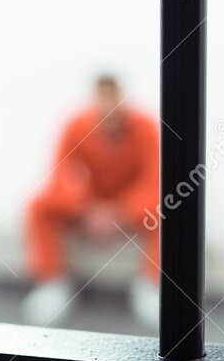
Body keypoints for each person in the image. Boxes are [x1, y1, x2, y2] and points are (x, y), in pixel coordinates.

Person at [22, 74, 160, 327]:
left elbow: (153, 179)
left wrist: (121, 210)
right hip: (88, 207)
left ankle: (151, 285)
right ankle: (52, 282)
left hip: (130, 210)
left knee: (170, 209)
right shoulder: (75, 125)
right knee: (38, 207)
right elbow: (62, 171)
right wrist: (85, 207)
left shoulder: (145, 127)